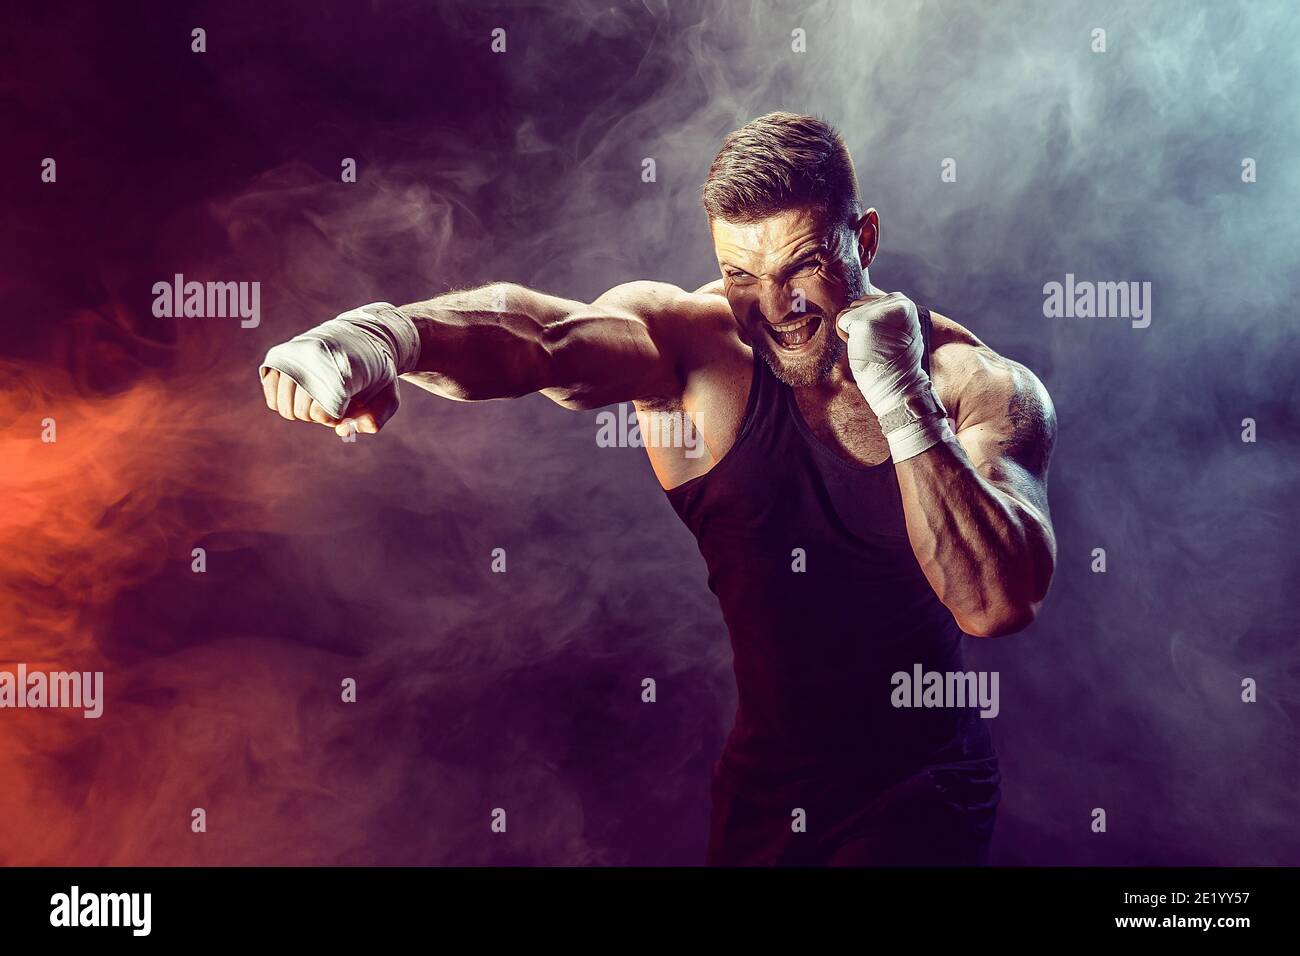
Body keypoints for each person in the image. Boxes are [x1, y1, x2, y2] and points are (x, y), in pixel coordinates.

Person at [259, 112, 1057, 865]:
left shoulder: (971, 384)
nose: (777, 308)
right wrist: (389, 335)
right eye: (743, 275)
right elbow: (545, 340)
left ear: (865, 238)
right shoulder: (697, 352)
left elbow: (997, 603)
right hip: (765, 788)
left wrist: (902, 398)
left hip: (921, 787)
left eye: (803, 267)